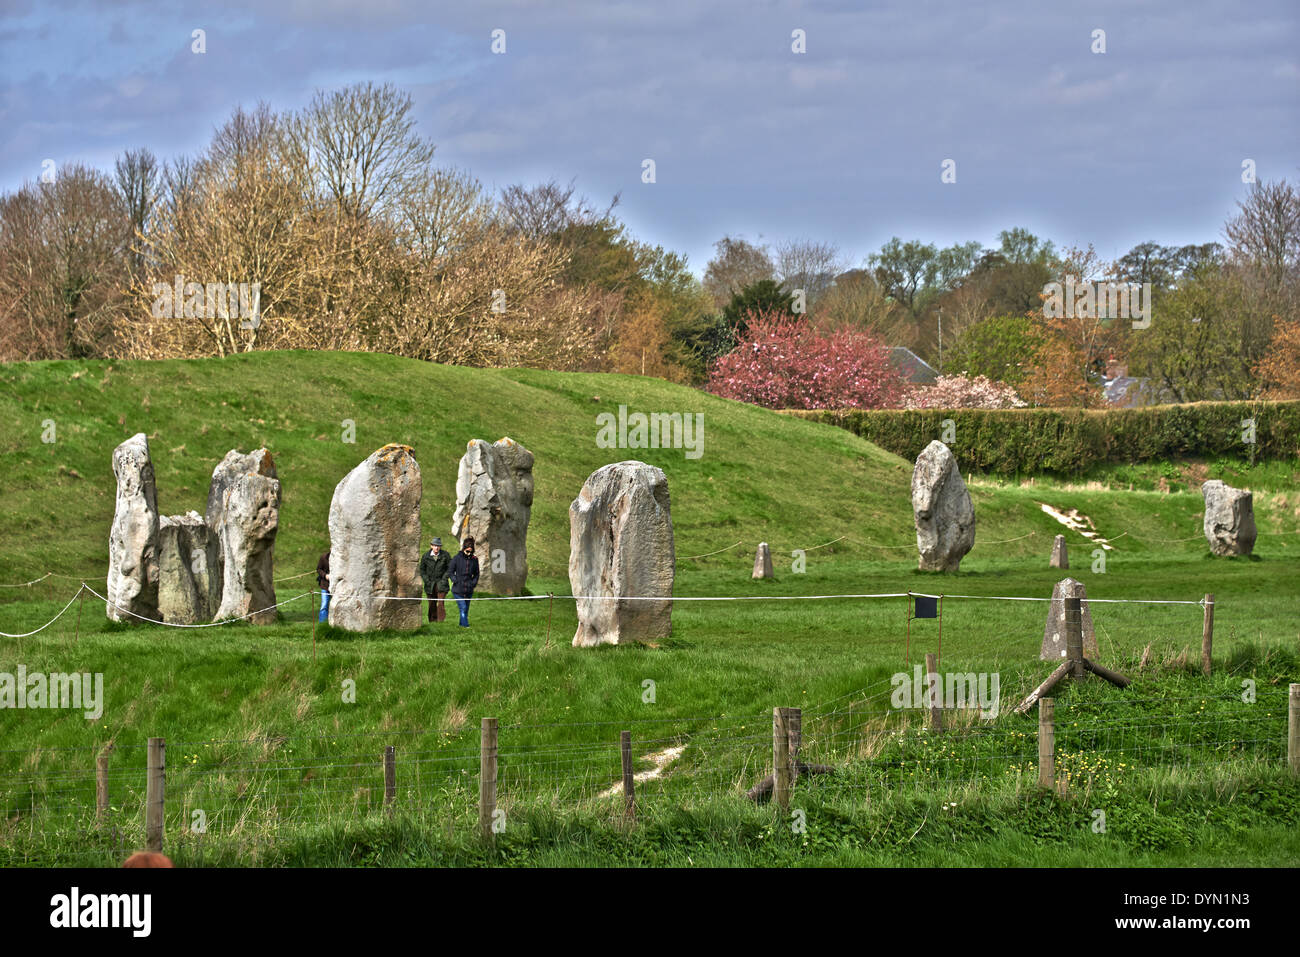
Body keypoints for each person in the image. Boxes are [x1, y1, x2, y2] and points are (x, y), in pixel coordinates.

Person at [447, 536, 480, 628]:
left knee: (465, 610)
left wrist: (473, 583)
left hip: (469, 589)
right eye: (467, 551)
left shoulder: (474, 560)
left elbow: (477, 574)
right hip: (458, 589)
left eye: (471, 552)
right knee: (463, 608)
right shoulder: (456, 558)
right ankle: (466, 626)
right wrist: (454, 580)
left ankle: (461, 625)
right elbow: (450, 571)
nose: (469, 554)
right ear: (464, 549)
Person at [418, 537, 451, 623]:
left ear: (440, 547)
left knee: (440, 603)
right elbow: (422, 570)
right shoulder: (425, 556)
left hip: (442, 583)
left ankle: (440, 621)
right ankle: (432, 621)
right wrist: (426, 580)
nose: (436, 548)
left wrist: (444, 579)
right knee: (431, 604)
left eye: (438, 546)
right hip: (430, 584)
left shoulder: (445, 555)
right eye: (435, 546)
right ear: (431, 546)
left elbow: (450, 568)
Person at [316, 550, 331, 623]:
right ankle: (322, 623)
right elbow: (318, 569)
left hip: (338, 586)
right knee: (324, 604)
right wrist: (325, 575)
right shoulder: (324, 557)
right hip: (325, 585)